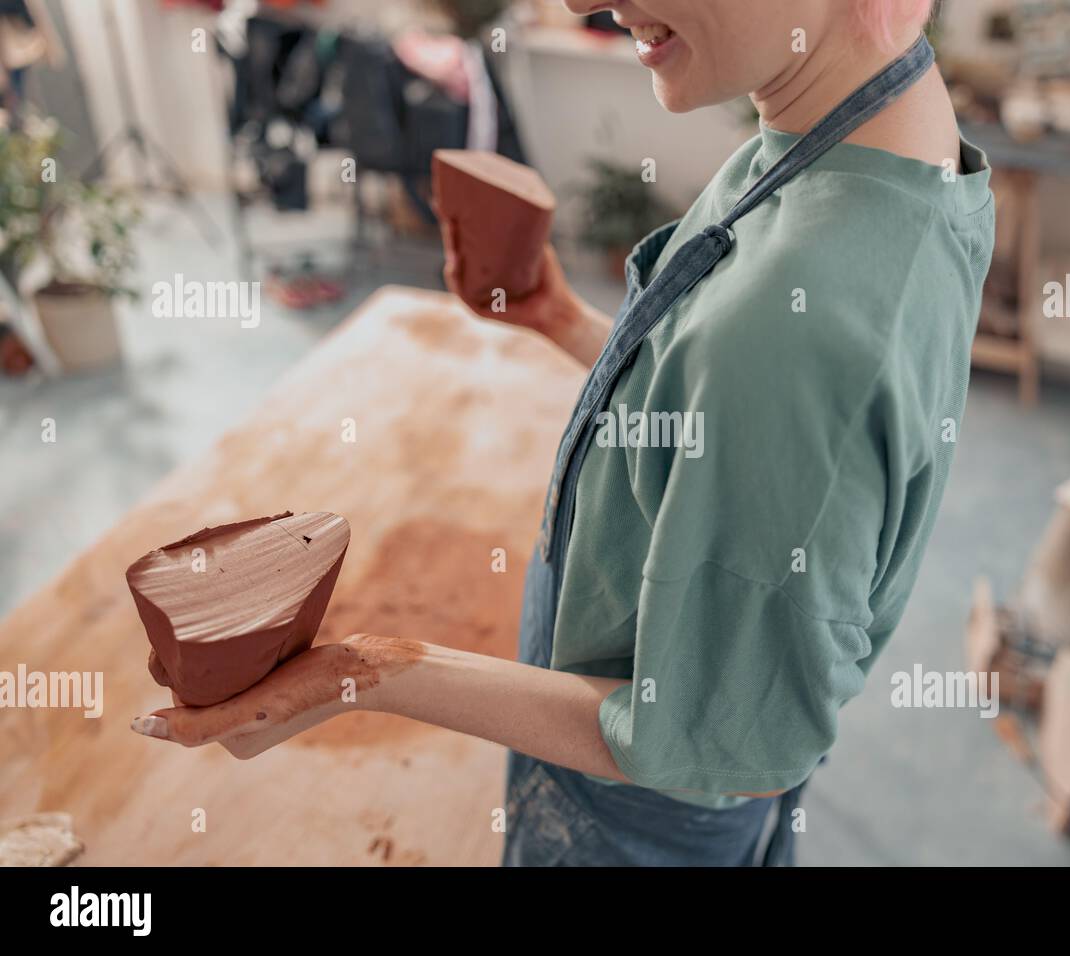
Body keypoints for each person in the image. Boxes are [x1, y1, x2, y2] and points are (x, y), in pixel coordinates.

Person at [132, 0, 994, 867]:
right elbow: (718, 421)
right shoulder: (885, 146)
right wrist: (563, 320)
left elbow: (727, 750)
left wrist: (361, 669)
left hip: (637, 818)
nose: (583, 2)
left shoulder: (789, 326)